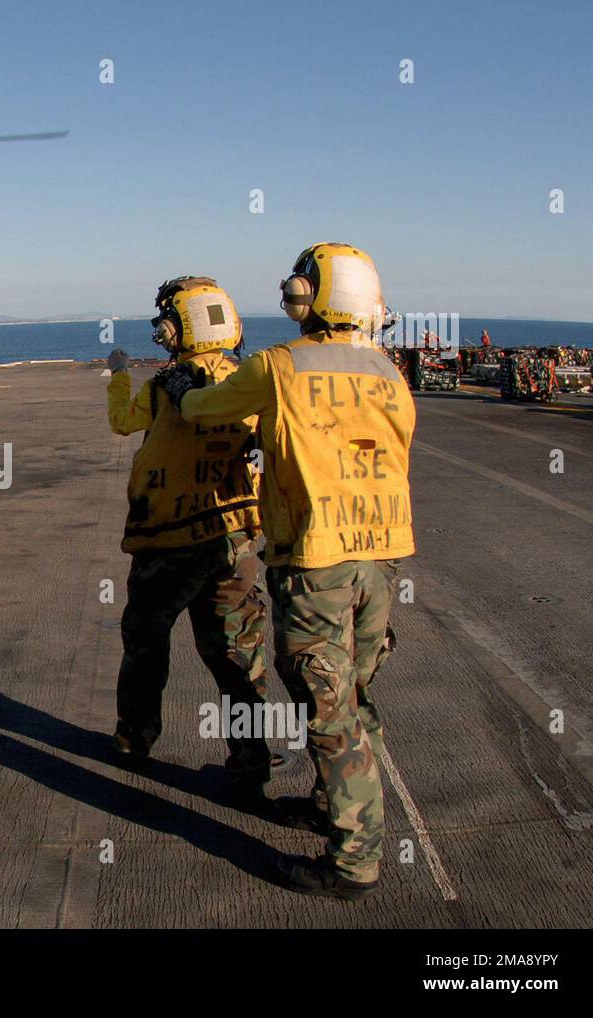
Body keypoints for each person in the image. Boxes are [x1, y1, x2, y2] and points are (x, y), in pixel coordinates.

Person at [161, 243, 415, 901]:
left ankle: (353, 863)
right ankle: (335, 809)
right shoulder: (388, 370)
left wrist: (190, 382)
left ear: (311, 295)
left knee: (328, 714)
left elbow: (203, 412)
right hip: (382, 558)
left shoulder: (280, 365)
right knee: (353, 696)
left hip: (317, 562)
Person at [105, 277, 272, 811]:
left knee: (147, 644)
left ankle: (135, 742)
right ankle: (250, 768)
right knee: (238, 656)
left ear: (182, 326)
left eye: (166, 322)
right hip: (234, 540)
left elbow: (119, 423)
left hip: (167, 544)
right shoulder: (252, 384)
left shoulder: (164, 388)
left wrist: (117, 376)